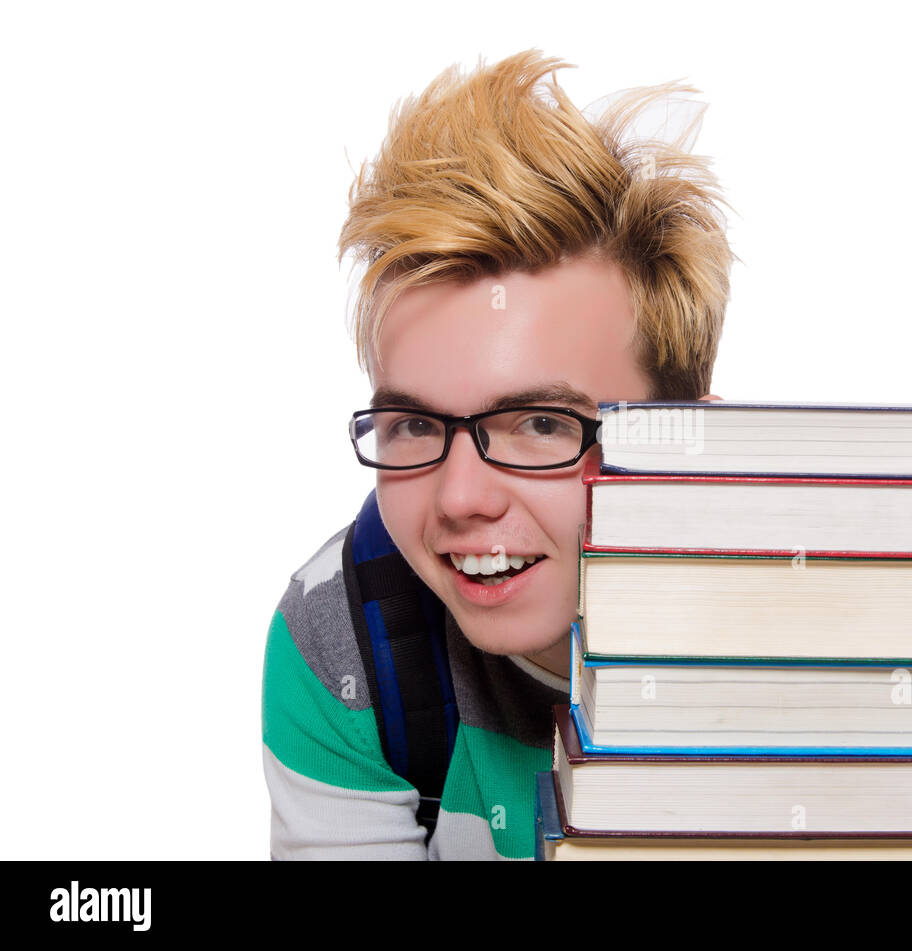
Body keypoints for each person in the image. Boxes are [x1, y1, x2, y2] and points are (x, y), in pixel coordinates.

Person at [260, 49, 734, 859]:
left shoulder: (823, 622)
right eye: (413, 424)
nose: (459, 497)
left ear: (692, 448)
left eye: (542, 424)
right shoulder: (344, 638)